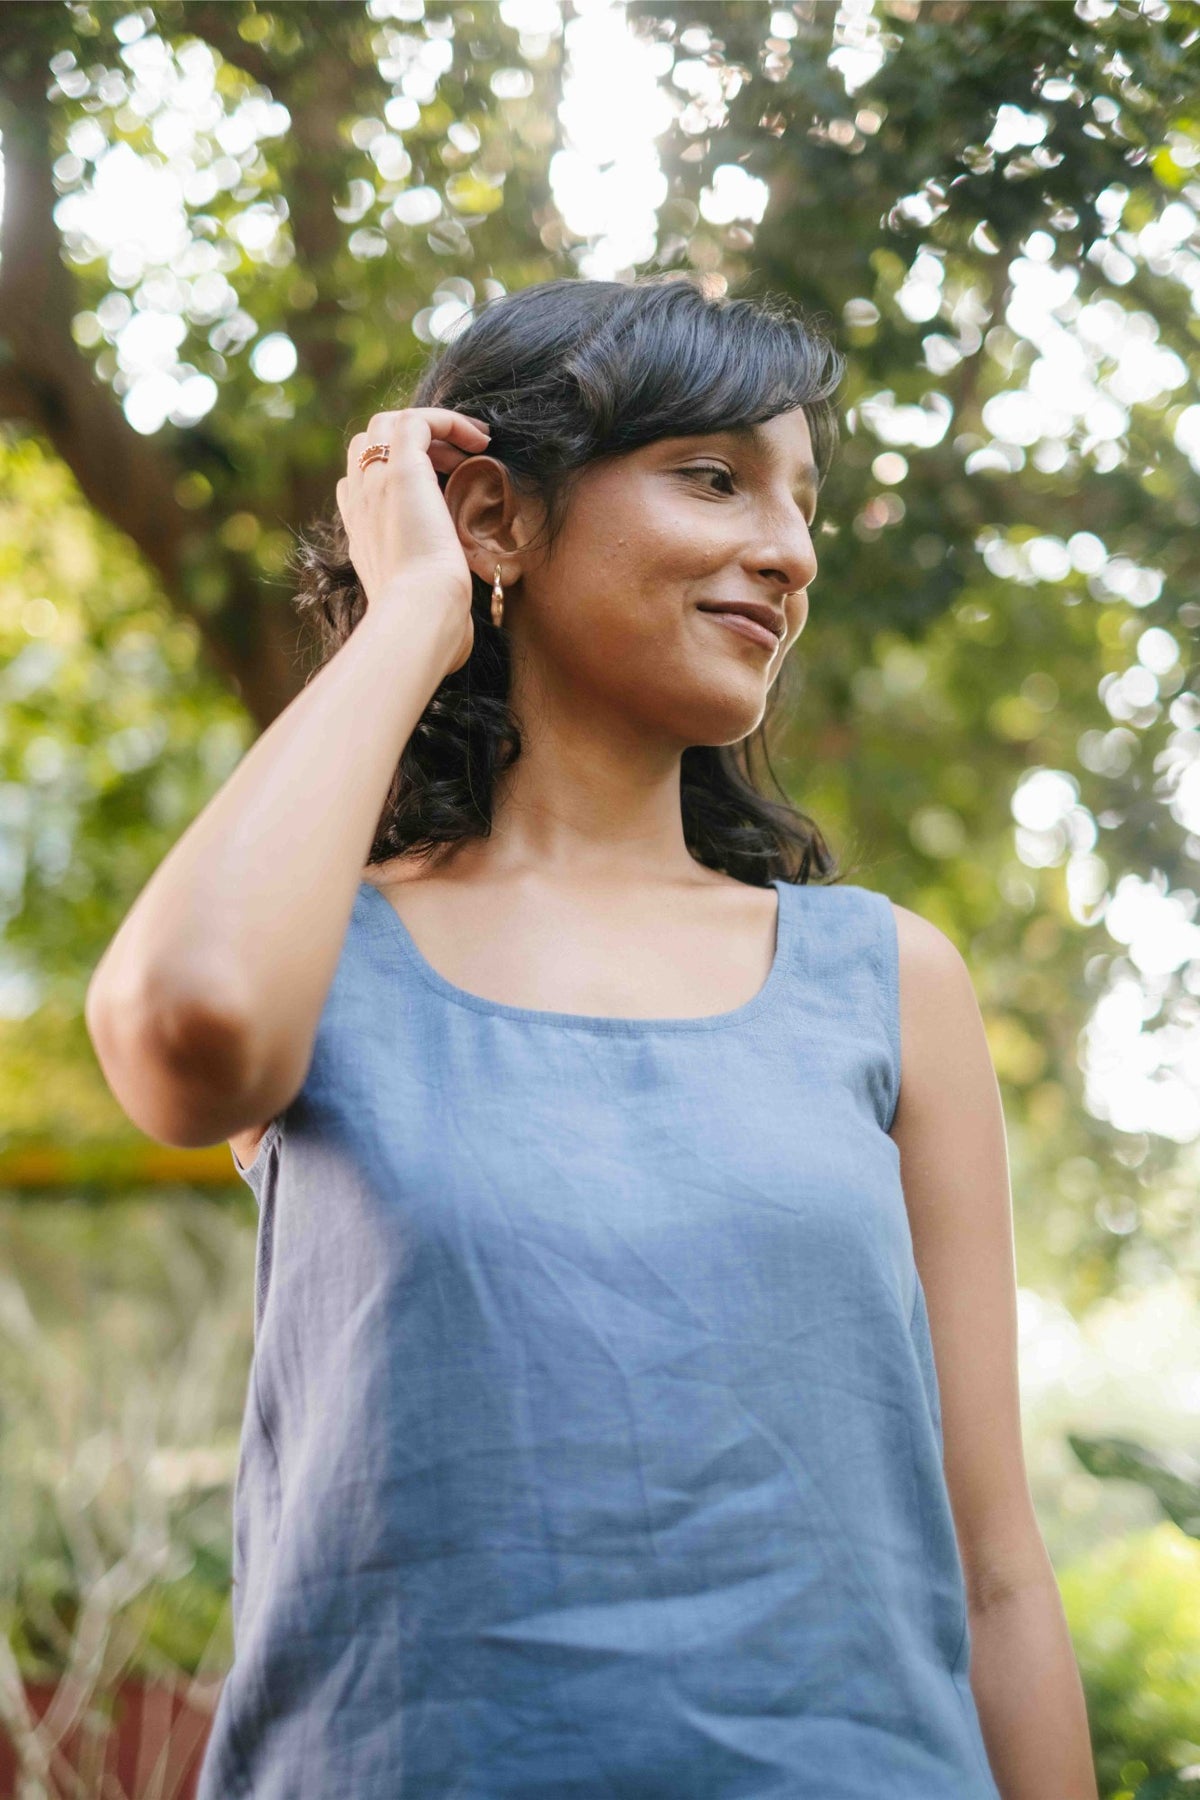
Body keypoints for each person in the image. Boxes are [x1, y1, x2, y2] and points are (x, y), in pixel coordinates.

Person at [86, 274, 1096, 1798]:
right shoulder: (320, 954)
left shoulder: (886, 979)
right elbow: (187, 1030)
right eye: (715, 479)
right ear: (497, 518)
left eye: (803, 504)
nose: (790, 550)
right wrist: (415, 607)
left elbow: (999, 1577)